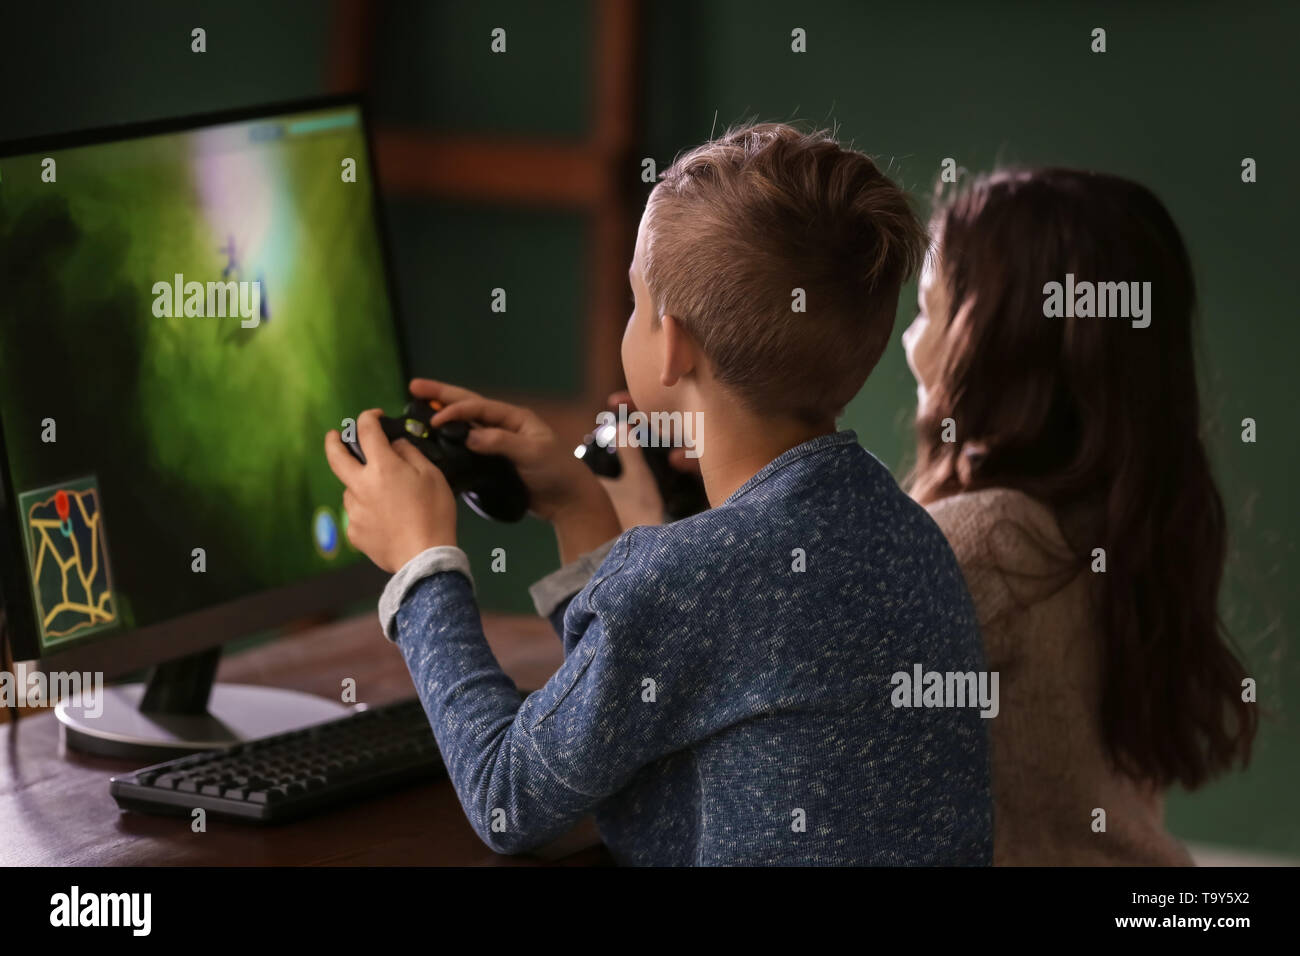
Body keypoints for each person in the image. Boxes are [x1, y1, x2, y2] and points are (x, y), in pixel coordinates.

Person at [325, 123, 993, 865]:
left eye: (636, 303)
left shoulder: (696, 573)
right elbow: (648, 772)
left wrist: (423, 566)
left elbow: (508, 797)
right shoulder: (912, 538)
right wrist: (580, 509)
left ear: (671, 345)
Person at [902, 168, 1257, 864]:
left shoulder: (988, 541)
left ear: (1000, 338)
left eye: (927, 309)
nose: (910, 343)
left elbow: (781, 665)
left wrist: (633, 540)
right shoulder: (1128, 532)